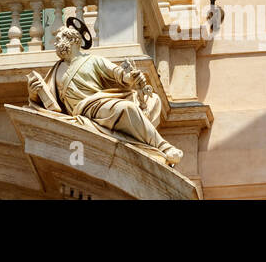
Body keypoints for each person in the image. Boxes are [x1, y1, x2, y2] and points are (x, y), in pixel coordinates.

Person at [27, 22, 183, 166]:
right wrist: (34, 92)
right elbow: (46, 101)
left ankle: (164, 147)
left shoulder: (94, 60)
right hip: (79, 112)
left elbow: (118, 74)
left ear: (73, 40)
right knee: (126, 109)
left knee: (128, 108)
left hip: (97, 103)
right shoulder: (55, 70)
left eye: (59, 38)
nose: (55, 43)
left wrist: (130, 77)